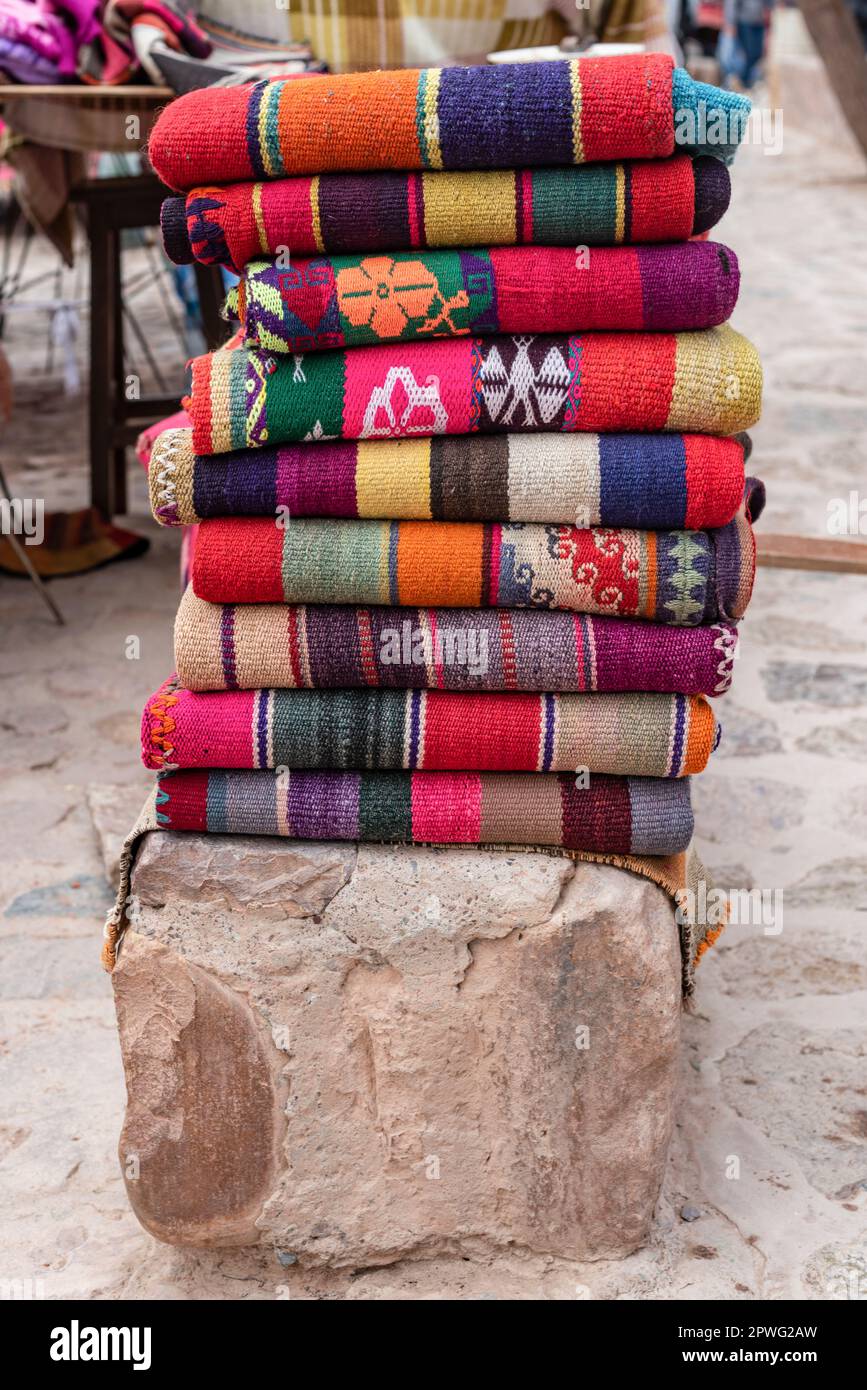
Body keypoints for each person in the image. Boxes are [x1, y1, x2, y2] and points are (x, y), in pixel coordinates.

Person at [719, 0, 773, 89]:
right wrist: (730, 23)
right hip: (744, 21)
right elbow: (732, 3)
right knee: (744, 55)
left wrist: (769, 11)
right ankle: (740, 83)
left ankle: (745, 83)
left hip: (759, 22)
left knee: (756, 54)